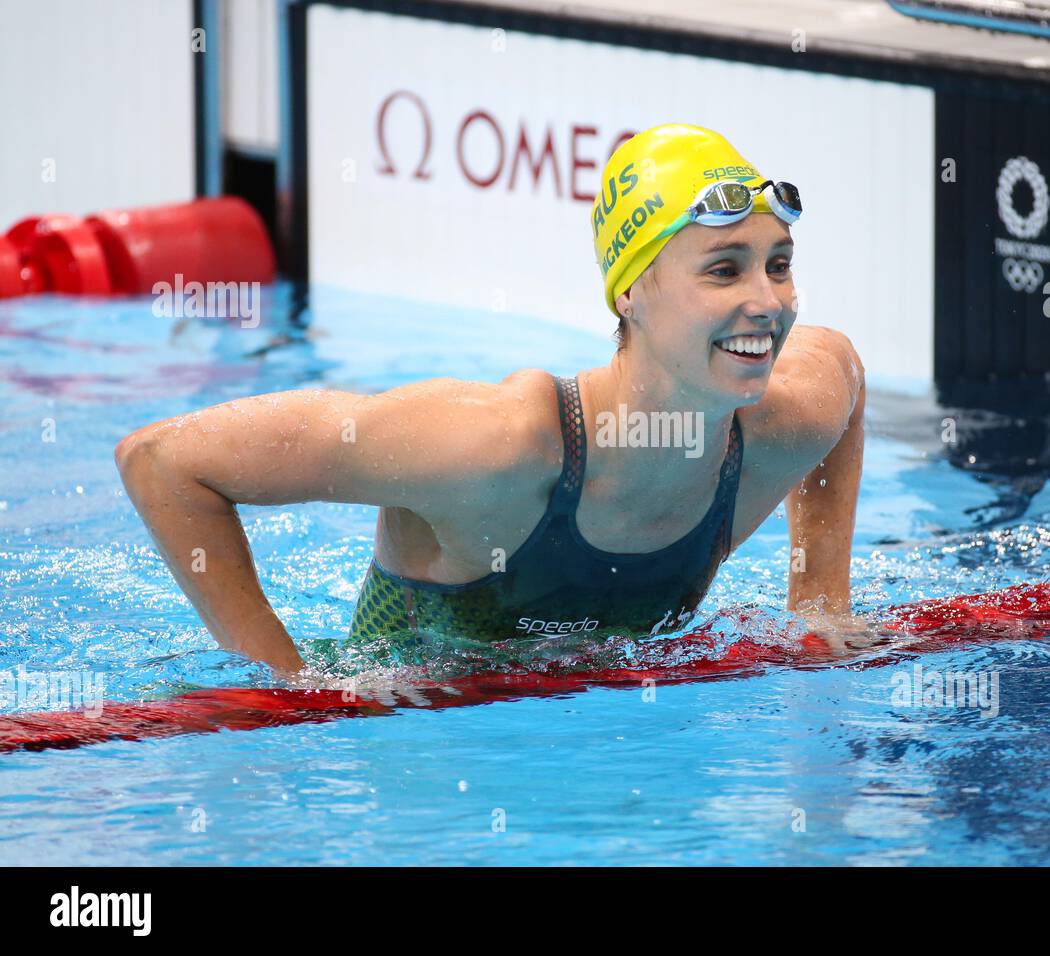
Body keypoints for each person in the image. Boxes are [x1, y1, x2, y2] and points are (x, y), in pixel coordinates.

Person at [114, 123, 866, 675]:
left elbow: (845, 371)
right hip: (421, 782)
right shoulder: (496, 448)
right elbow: (162, 460)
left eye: (778, 265)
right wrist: (292, 684)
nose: (769, 303)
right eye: (725, 270)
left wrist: (820, 598)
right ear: (631, 290)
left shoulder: (786, 426)